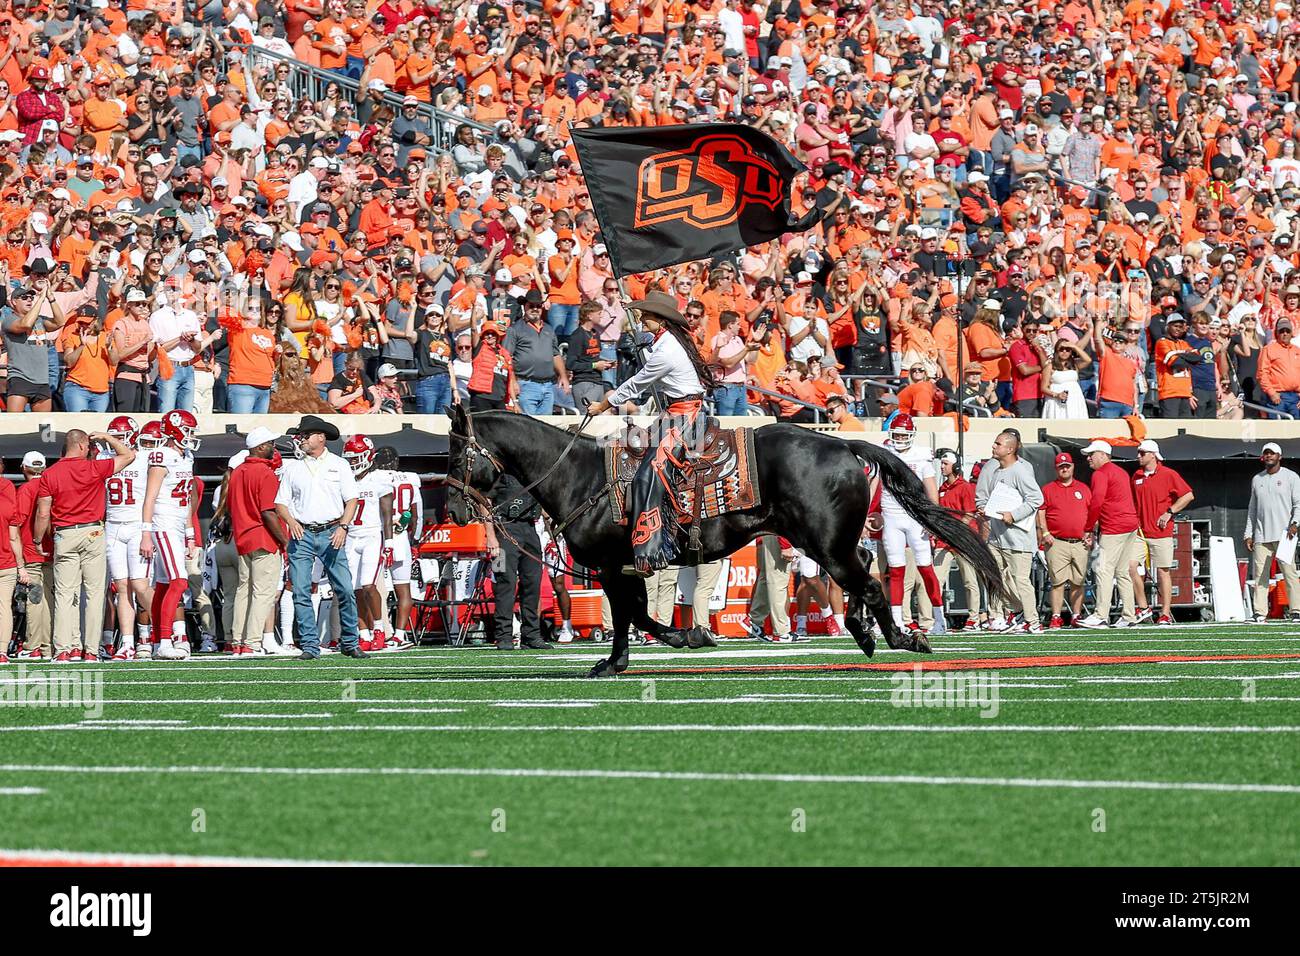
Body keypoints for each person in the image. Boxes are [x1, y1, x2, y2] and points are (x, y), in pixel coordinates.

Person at [588, 291, 717, 575]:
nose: (642, 318)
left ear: (659, 320)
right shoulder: (666, 342)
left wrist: (604, 404)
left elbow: (638, 382)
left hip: (684, 417)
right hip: (676, 412)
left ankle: (650, 551)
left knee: (649, 471)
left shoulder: (667, 349)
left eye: (645, 315)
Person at [32, 429, 136, 662]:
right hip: (93, 532)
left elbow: (42, 514)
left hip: (65, 534)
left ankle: (63, 650)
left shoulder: (50, 474)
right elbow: (129, 455)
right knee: (94, 594)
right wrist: (108, 438)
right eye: (88, 447)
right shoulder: (93, 468)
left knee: (64, 595)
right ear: (81, 446)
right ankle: (90, 650)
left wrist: (38, 540)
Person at [274, 415, 368, 660]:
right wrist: (291, 521)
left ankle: (349, 641)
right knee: (301, 591)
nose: (301, 440)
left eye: (305, 436)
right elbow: (281, 503)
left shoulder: (339, 464)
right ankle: (309, 645)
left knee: (345, 589)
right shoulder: (293, 467)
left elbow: (352, 500)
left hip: (331, 530)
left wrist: (343, 527)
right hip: (302, 532)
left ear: (320, 437)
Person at [138, 411, 201, 660]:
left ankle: (156, 642)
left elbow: (186, 500)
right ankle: (165, 640)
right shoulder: (162, 455)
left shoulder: (185, 456)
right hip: (162, 523)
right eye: (189, 430)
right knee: (179, 581)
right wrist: (145, 533)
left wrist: (190, 534)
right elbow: (150, 497)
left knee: (164, 585)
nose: (192, 436)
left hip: (177, 523)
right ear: (175, 429)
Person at [227, 427, 292, 655]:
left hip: (243, 538)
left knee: (243, 590)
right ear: (261, 446)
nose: (274, 448)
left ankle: (237, 640)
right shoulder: (265, 474)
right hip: (263, 538)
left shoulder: (237, 471)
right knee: (263, 594)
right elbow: (268, 512)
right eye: (271, 444)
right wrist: (284, 540)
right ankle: (252, 642)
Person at [880, 415, 946, 636]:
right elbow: (874, 484)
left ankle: (939, 618)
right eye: (896, 433)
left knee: (925, 568)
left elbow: (931, 490)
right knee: (896, 570)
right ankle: (897, 621)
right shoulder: (885, 452)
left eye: (903, 434)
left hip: (915, 518)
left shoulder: (921, 457)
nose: (899, 438)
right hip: (891, 516)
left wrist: (932, 518)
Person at [974, 428, 1044, 633]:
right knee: (992, 573)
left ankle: (1033, 621)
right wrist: (985, 510)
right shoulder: (994, 470)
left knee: (1021, 580)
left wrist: (1013, 515)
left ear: (1010, 449)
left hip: (1019, 537)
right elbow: (989, 497)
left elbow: (1037, 499)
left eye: (998, 444)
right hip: (997, 536)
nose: (994, 447)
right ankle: (1006, 613)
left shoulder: (1021, 470)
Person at [1076, 440, 1142, 629]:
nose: (1088, 458)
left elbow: (1097, 501)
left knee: (1103, 570)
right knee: (1122, 572)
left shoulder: (1101, 473)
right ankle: (1129, 615)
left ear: (1103, 455)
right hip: (1129, 525)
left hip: (1114, 526)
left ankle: (1101, 615)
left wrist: (1088, 528)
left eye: (1092, 454)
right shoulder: (1120, 471)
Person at [102, 415, 152, 660]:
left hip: (135, 526)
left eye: (120, 437)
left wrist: (146, 532)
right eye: (113, 436)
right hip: (113, 526)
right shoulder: (104, 459)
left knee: (140, 585)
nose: (115, 442)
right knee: (122, 587)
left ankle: (163, 633)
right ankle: (128, 643)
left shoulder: (142, 458)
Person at [1131, 440, 1195, 626]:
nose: (1138, 456)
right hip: (1140, 532)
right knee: (1131, 566)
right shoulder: (1136, 475)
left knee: (1163, 572)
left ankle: (1165, 613)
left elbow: (1188, 495)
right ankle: (1143, 607)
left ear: (1153, 455)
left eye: (1142, 453)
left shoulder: (1168, 474)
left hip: (1161, 532)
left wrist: (1169, 512)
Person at [341, 435, 395, 652]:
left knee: (368, 585)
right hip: (350, 536)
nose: (353, 463)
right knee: (352, 589)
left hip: (372, 536)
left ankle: (379, 629)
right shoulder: (345, 480)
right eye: (350, 459)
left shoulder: (380, 479)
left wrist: (389, 543)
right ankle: (363, 632)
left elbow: (388, 516)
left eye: (356, 458)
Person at [484, 473, 548, 650]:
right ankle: (503, 635)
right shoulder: (499, 474)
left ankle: (531, 634)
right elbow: (485, 502)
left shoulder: (531, 471)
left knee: (533, 583)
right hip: (503, 529)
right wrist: (490, 536)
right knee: (505, 584)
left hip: (530, 528)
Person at [1245, 442, 1300, 623]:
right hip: (1261, 535)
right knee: (1260, 575)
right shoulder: (1257, 479)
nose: (1269, 456)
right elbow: (1252, 509)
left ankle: (1296, 611)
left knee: (1290, 574)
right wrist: (1248, 533)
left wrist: (1295, 524)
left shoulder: (1291, 477)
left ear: (1279, 456)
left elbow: (1298, 504)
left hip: (1285, 535)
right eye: (1266, 454)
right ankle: (1260, 613)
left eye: (1272, 454)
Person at [1037, 453, 1092, 628]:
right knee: (1057, 581)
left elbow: (1093, 512)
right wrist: (1045, 533)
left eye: (1067, 465)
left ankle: (1076, 615)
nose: (1065, 468)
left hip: (1079, 542)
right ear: (1056, 468)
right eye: (1061, 466)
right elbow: (1041, 512)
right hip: (1057, 541)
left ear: (1073, 466)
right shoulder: (1048, 489)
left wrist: (1091, 533)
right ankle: (1056, 616)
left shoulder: (1083, 488)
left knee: (1078, 580)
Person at [934, 450, 982, 630]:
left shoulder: (965, 487)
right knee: (936, 580)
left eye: (945, 463)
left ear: (955, 466)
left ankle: (974, 618)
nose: (942, 466)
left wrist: (955, 530)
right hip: (945, 540)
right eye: (942, 463)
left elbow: (969, 513)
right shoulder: (941, 489)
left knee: (969, 580)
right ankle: (937, 617)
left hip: (962, 540)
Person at [505, 289, 570, 414]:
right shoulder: (514, 329)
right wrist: (512, 381)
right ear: (525, 306)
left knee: (545, 427)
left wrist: (563, 375)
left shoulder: (549, 329)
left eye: (538, 306)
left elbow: (556, 354)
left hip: (548, 385)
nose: (535, 309)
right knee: (528, 426)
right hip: (525, 384)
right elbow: (507, 358)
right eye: (531, 306)